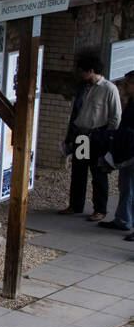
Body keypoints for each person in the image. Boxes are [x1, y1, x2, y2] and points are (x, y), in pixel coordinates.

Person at [61, 53, 121, 221]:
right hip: (81, 135)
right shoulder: (83, 88)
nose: (80, 74)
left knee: (98, 174)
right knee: (78, 172)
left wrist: (107, 137)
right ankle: (75, 205)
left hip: (97, 136)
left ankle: (100, 209)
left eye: (82, 71)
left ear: (91, 70)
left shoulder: (109, 88)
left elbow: (115, 117)